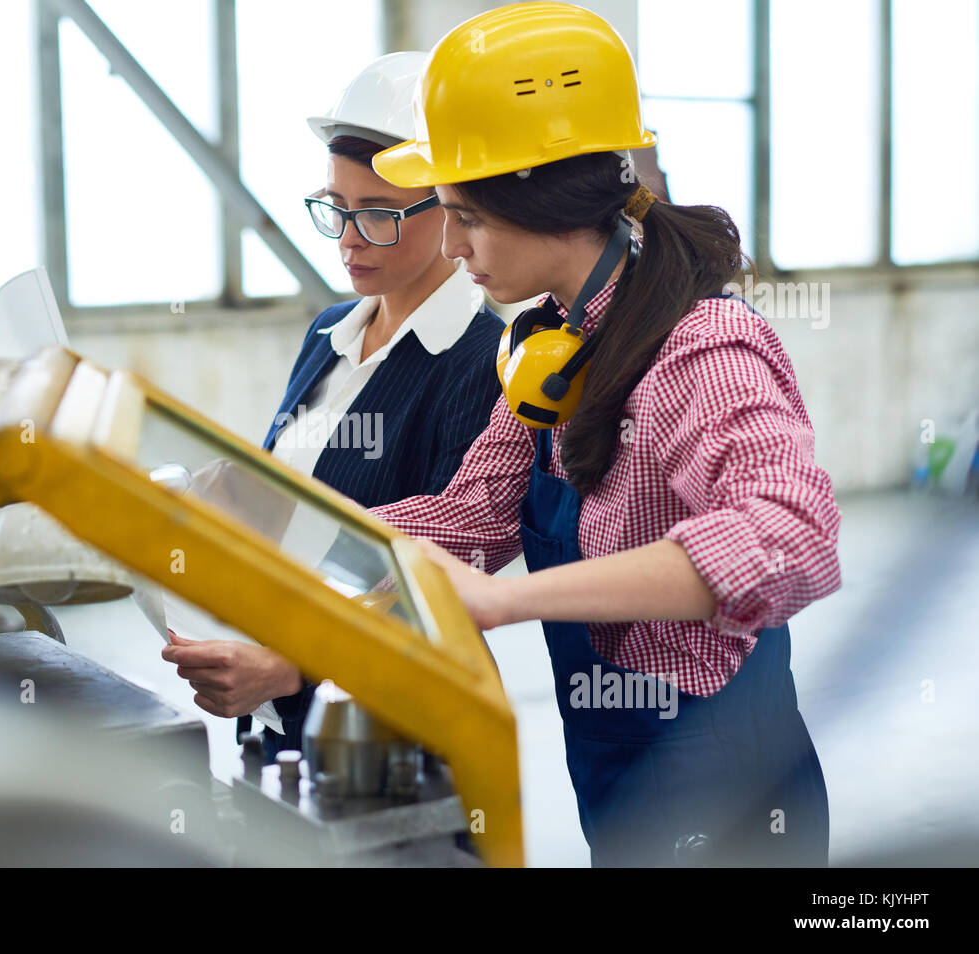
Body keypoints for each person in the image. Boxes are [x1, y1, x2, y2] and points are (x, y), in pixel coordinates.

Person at [355, 1, 841, 866]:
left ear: (540, 198)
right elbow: (469, 516)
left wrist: (509, 600)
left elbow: (791, 536)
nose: (454, 245)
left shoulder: (702, 348)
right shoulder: (552, 343)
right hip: (617, 770)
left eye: (466, 214)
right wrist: (281, 538)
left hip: (726, 785)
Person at [161, 52, 506, 764]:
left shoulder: (483, 363)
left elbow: (442, 581)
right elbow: (287, 513)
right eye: (336, 208)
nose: (348, 238)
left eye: (378, 214)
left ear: (450, 203)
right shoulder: (329, 331)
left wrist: (294, 662)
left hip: (393, 731)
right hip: (277, 708)